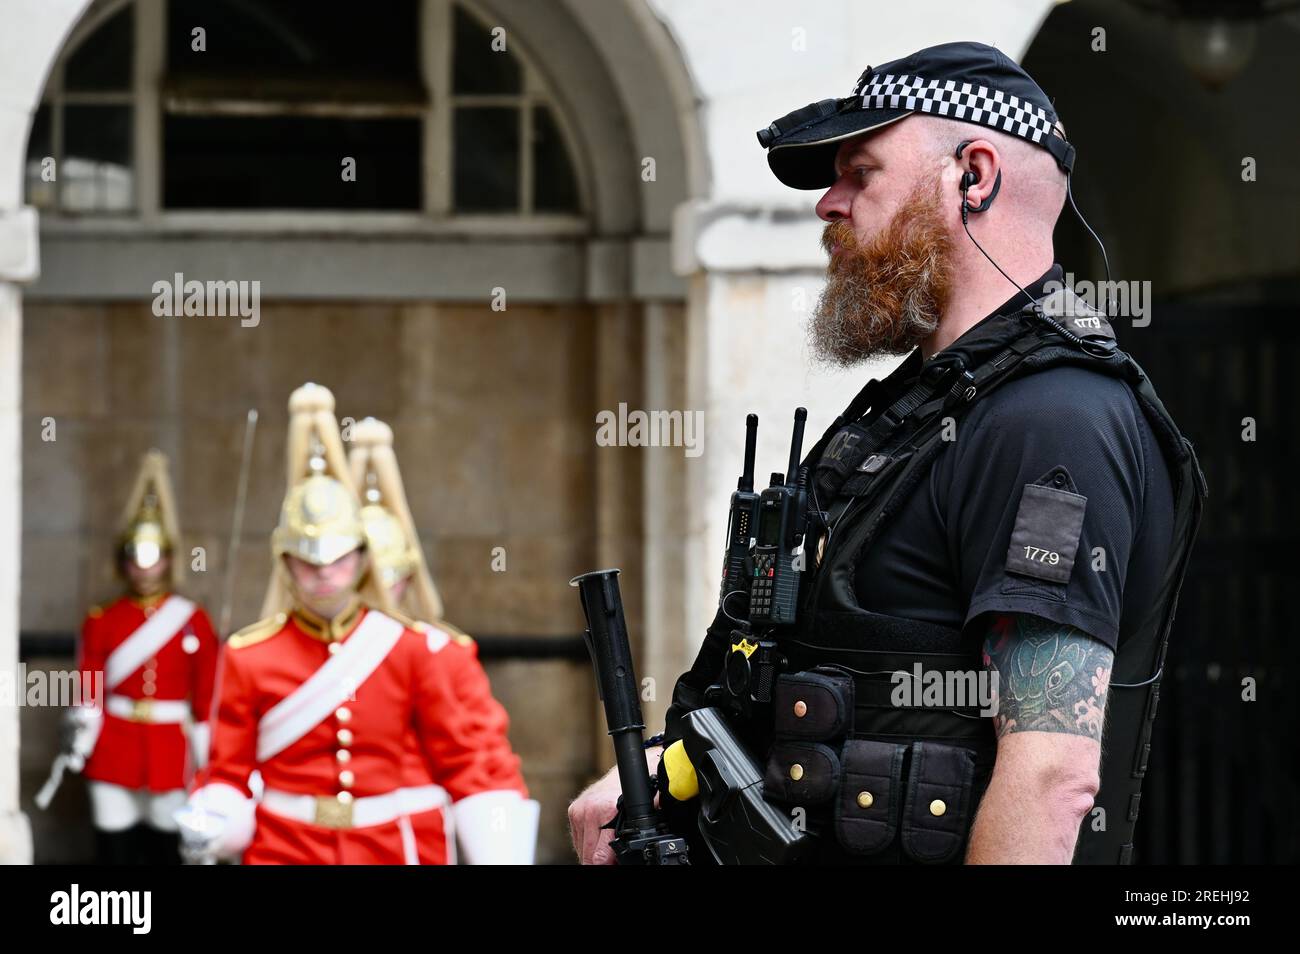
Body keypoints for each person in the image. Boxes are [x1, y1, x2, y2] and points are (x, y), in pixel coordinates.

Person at [569, 41, 1207, 865]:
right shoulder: (923, 406)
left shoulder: (1052, 420)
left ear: (973, 177)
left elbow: (1051, 776)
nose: (828, 204)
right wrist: (668, 766)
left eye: (860, 172)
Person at [177, 383, 535, 864]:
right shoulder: (249, 654)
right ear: (284, 563)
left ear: (363, 560)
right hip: (286, 846)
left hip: (389, 845)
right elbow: (227, 769)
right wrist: (214, 814)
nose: (323, 573)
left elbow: (465, 760)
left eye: (339, 559)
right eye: (306, 561)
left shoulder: (409, 648)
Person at [348, 415, 538, 863]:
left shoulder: (442, 651)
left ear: (407, 578)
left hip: (405, 842)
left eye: (390, 578)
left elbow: (481, 756)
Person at [67, 449, 219, 864]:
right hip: (115, 745)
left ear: (168, 560)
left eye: (152, 557)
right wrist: (82, 735)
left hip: (171, 751)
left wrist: (209, 757)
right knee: (114, 849)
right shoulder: (102, 620)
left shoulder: (193, 620)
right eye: (135, 557)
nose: (143, 568)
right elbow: (89, 686)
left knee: (167, 851)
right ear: (124, 561)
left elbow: (206, 694)